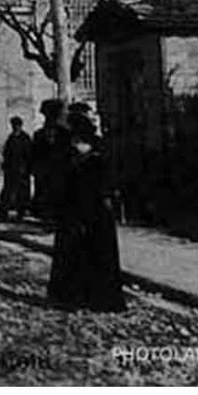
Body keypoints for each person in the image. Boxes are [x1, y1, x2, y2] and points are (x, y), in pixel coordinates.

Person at [47, 113, 126, 311]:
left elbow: (107, 184)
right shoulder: (68, 157)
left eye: (78, 139)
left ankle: (101, 298)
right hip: (72, 212)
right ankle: (71, 297)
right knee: (72, 255)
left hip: (96, 214)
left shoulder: (98, 155)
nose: (74, 143)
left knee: (97, 255)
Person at [30, 98, 70, 221]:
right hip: (45, 174)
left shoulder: (65, 134)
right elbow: (34, 155)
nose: (49, 118)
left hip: (61, 174)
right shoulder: (39, 135)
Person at [0, 116, 33, 220]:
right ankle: (4, 212)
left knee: (22, 192)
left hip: (22, 169)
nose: (15, 127)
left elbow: (29, 154)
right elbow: (6, 153)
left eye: (17, 125)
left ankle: (21, 212)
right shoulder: (11, 138)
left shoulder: (25, 138)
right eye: (14, 125)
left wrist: (27, 167)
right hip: (11, 169)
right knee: (8, 190)